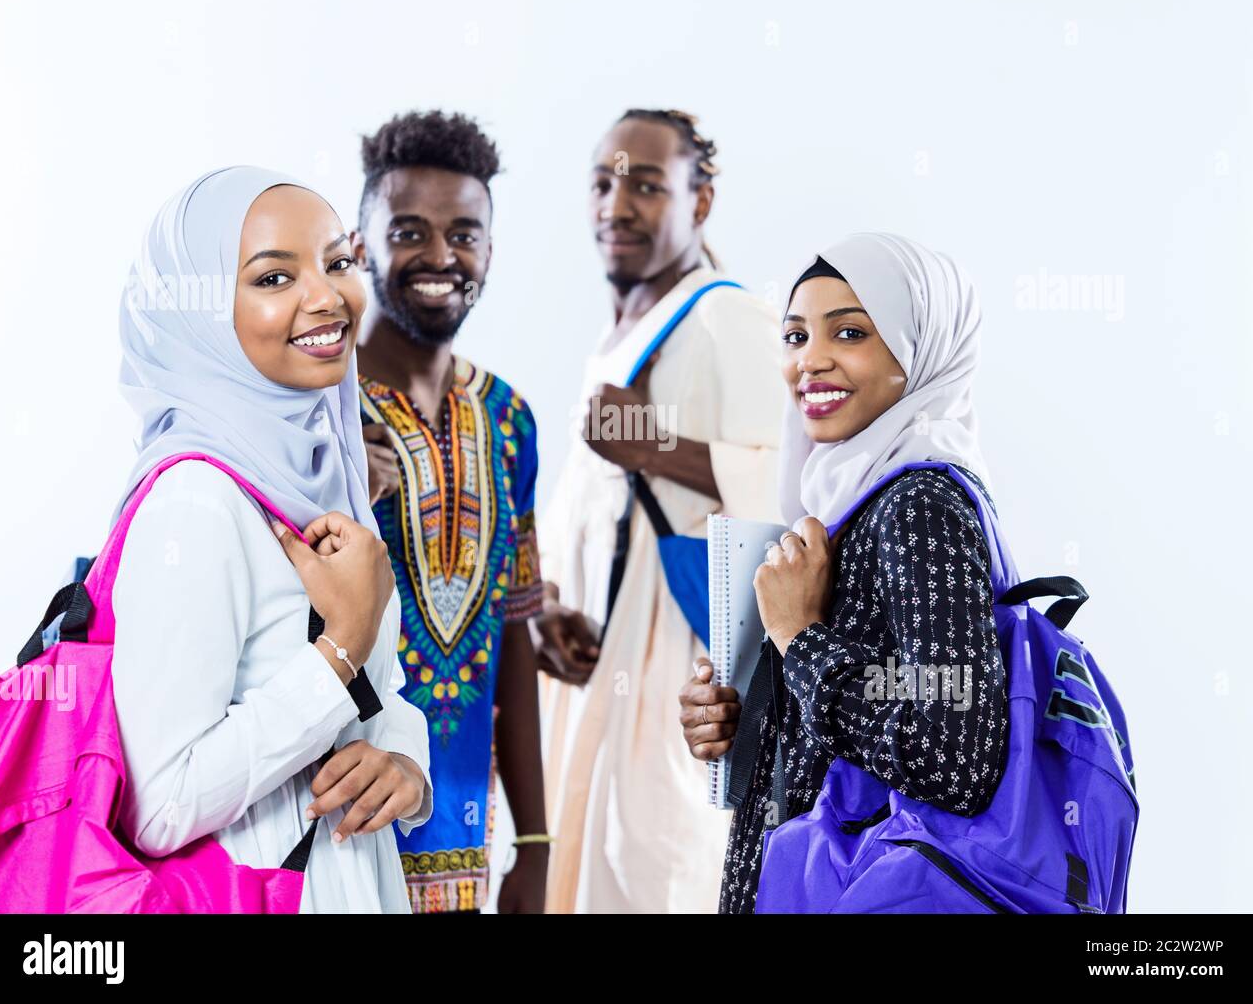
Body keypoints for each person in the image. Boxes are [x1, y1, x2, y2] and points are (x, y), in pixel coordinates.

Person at [111, 165, 433, 914]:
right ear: (201, 315)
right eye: (272, 277)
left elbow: (383, 697)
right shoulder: (197, 499)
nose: (325, 297)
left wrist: (406, 767)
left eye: (337, 262)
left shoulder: (324, 472)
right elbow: (159, 805)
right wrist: (339, 650)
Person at [679, 233, 1010, 913]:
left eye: (851, 331)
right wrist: (746, 721)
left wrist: (800, 639)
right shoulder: (847, 509)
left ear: (920, 349)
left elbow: (955, 756)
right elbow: (859, 727)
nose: (811, 361)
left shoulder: (919, 504)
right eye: (795, 336)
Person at [534, 109, 783, 913]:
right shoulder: (620, 336)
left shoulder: (725, 317)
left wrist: (647, 443)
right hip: (594, 690)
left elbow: (790, 488)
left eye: (647, 184)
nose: (618, 204)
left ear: (700, 202)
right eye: (603, 183)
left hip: (676, 703)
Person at [352, 111, 548, 914]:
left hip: (463, 851)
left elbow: (515, 632)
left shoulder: (508, 418)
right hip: (328, 838)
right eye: (409, 231)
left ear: (490, 251)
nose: (440, 256)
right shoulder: (312, 410)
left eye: (464, 233)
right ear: (360, 243)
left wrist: (534, 845)